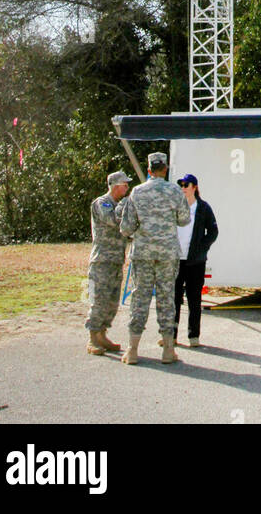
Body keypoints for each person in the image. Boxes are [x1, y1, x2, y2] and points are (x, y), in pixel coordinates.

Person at [118, 151, 190, 365]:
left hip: (143, 253)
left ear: (149, 170)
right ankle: (168, 350)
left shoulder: (137, 192)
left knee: (139, 298)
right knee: (167, 298)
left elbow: (126, 227)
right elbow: (185, 220)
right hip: (167, 253)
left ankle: (132, 350)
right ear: (165, 169)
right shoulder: (175, 191)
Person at [85, 170, 131, 355]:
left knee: (112, 301)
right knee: (99, 299)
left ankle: (103, 335)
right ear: (115, 186)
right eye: (125, 184)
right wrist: (126, 207)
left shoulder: (119, 204)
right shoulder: (102, 203)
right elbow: (114, 220)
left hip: (115, 260)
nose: (127, 188)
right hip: (102, 260)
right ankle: (92, 338)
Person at [172, 174, 218, 348]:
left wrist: (201, 248)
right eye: (181, 185)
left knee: (194, 299)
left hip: (195, 262)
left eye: (186, 184)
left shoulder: (203, 208)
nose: (183, 187)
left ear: (195, 187)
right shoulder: (176, 206)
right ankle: (172, 336)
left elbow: (213, 231)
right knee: (174, 298)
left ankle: (193, 336)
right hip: (176, 260)